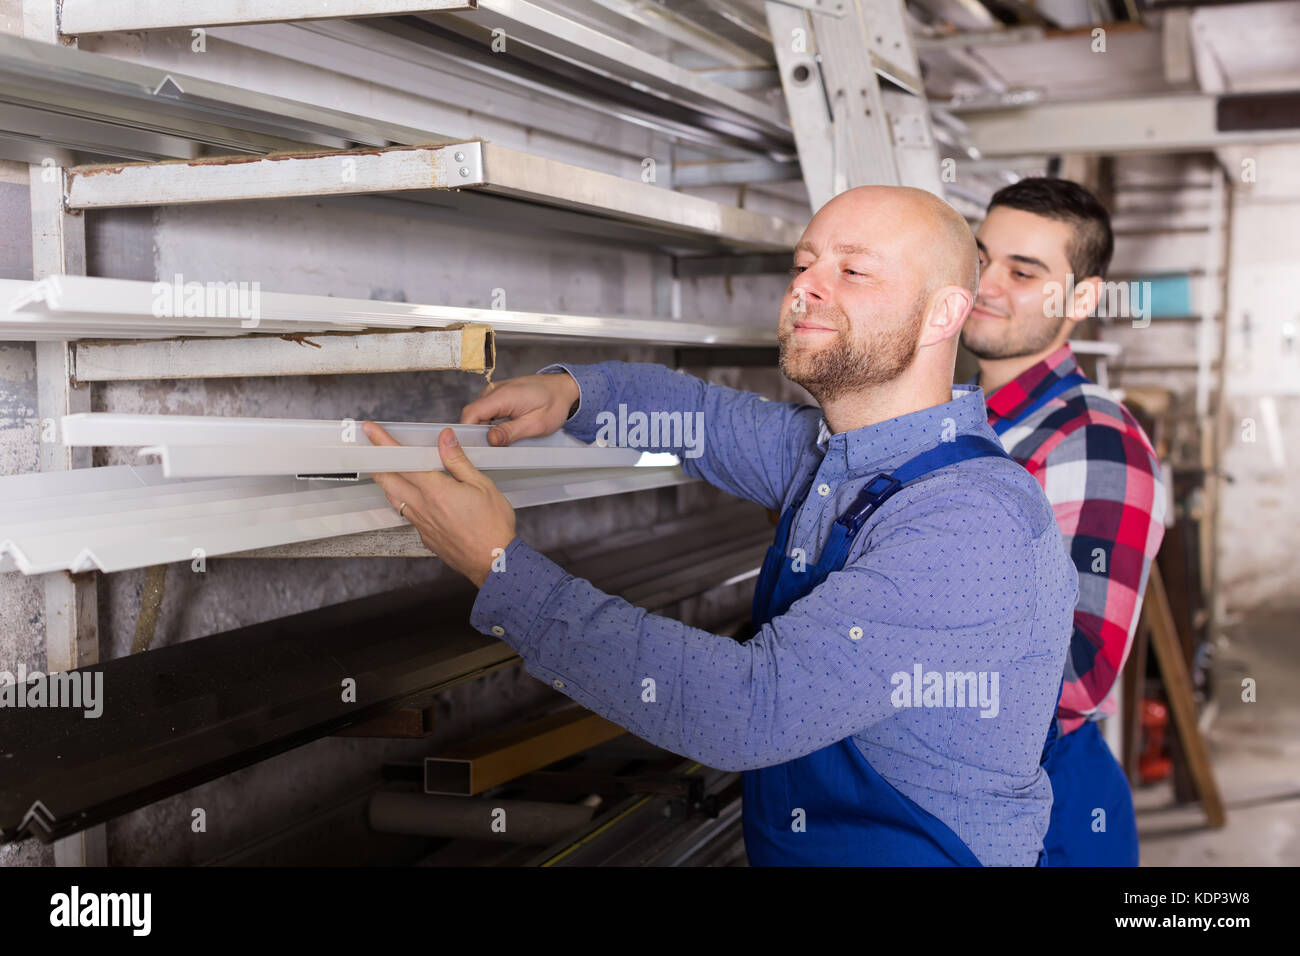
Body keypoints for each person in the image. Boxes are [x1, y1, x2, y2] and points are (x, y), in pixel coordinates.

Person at [364, 184, 1077, 866]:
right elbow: (700, 418)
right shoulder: (840, 455)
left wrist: (499, 567)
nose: (806, 288)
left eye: (853, 270)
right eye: (803, 264)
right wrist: (575, 393)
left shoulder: (973, 523)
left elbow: (747, 709)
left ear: (944, 314)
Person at [962, 177, 1167, 865]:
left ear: (1082, 298)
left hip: (1043, 812)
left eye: (1022, 271)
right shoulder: (953, 418)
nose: (985, 284)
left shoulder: (1093, 440)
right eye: (980, 256)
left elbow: (1076, 674)